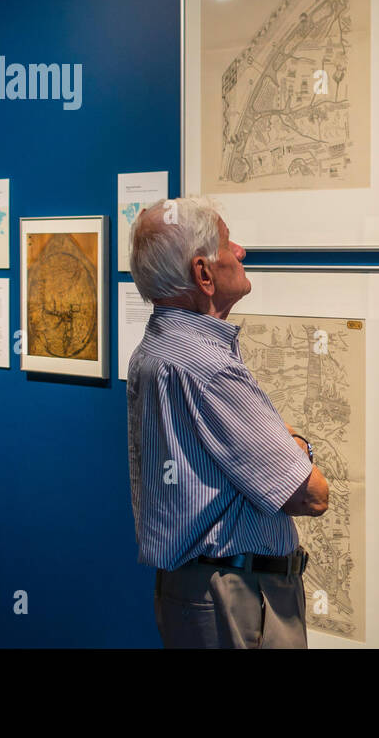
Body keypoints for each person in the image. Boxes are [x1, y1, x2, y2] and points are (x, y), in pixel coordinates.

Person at [125, 195, 329, 648]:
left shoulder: (155, 349)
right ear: (203, 273)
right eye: (227, 242)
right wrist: (298, 445)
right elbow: (312, 494)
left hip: (197, 591)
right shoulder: (206, 366)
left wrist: (283, 444)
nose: (240, 252)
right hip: (238, 600)